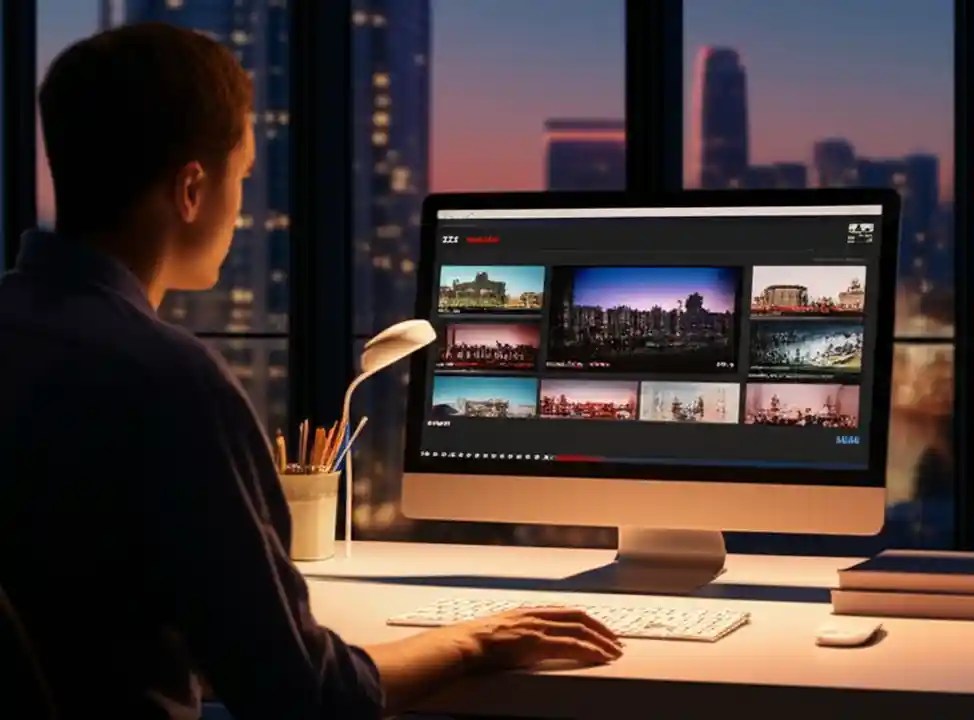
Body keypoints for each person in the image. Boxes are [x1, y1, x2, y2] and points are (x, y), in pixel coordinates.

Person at [0, 22, 622, 720]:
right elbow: (303, 695)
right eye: (241, 179)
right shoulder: (167, 382)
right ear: (192, 191)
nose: (241, 211)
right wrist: (475, 643)